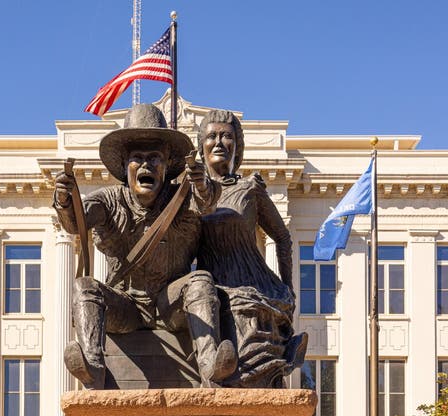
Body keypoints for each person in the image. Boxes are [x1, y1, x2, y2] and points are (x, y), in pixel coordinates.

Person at [53, 103, 237, 390]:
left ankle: (211, 367)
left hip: (169, 303)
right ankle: (93, 366)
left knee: (200, 281)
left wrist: (201, 183)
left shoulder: (181, 197)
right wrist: (64, 201)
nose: (147, 165)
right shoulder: (109, 200)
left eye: (155, 158)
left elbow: (207, 202)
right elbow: (76, 222)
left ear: (166, 165)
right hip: (125, 307)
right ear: (125, 166)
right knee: (85, 286)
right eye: (138, 158)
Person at [196, 109, 307, 387]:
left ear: (238, 146)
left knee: (246, 312)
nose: (219, 142)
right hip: (209, 285)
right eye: (211, 136)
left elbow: (282, 237)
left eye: (227, 136)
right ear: (201, 147)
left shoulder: (250, 189)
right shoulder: (189, 192)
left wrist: (287, 286)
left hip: (250, 281)